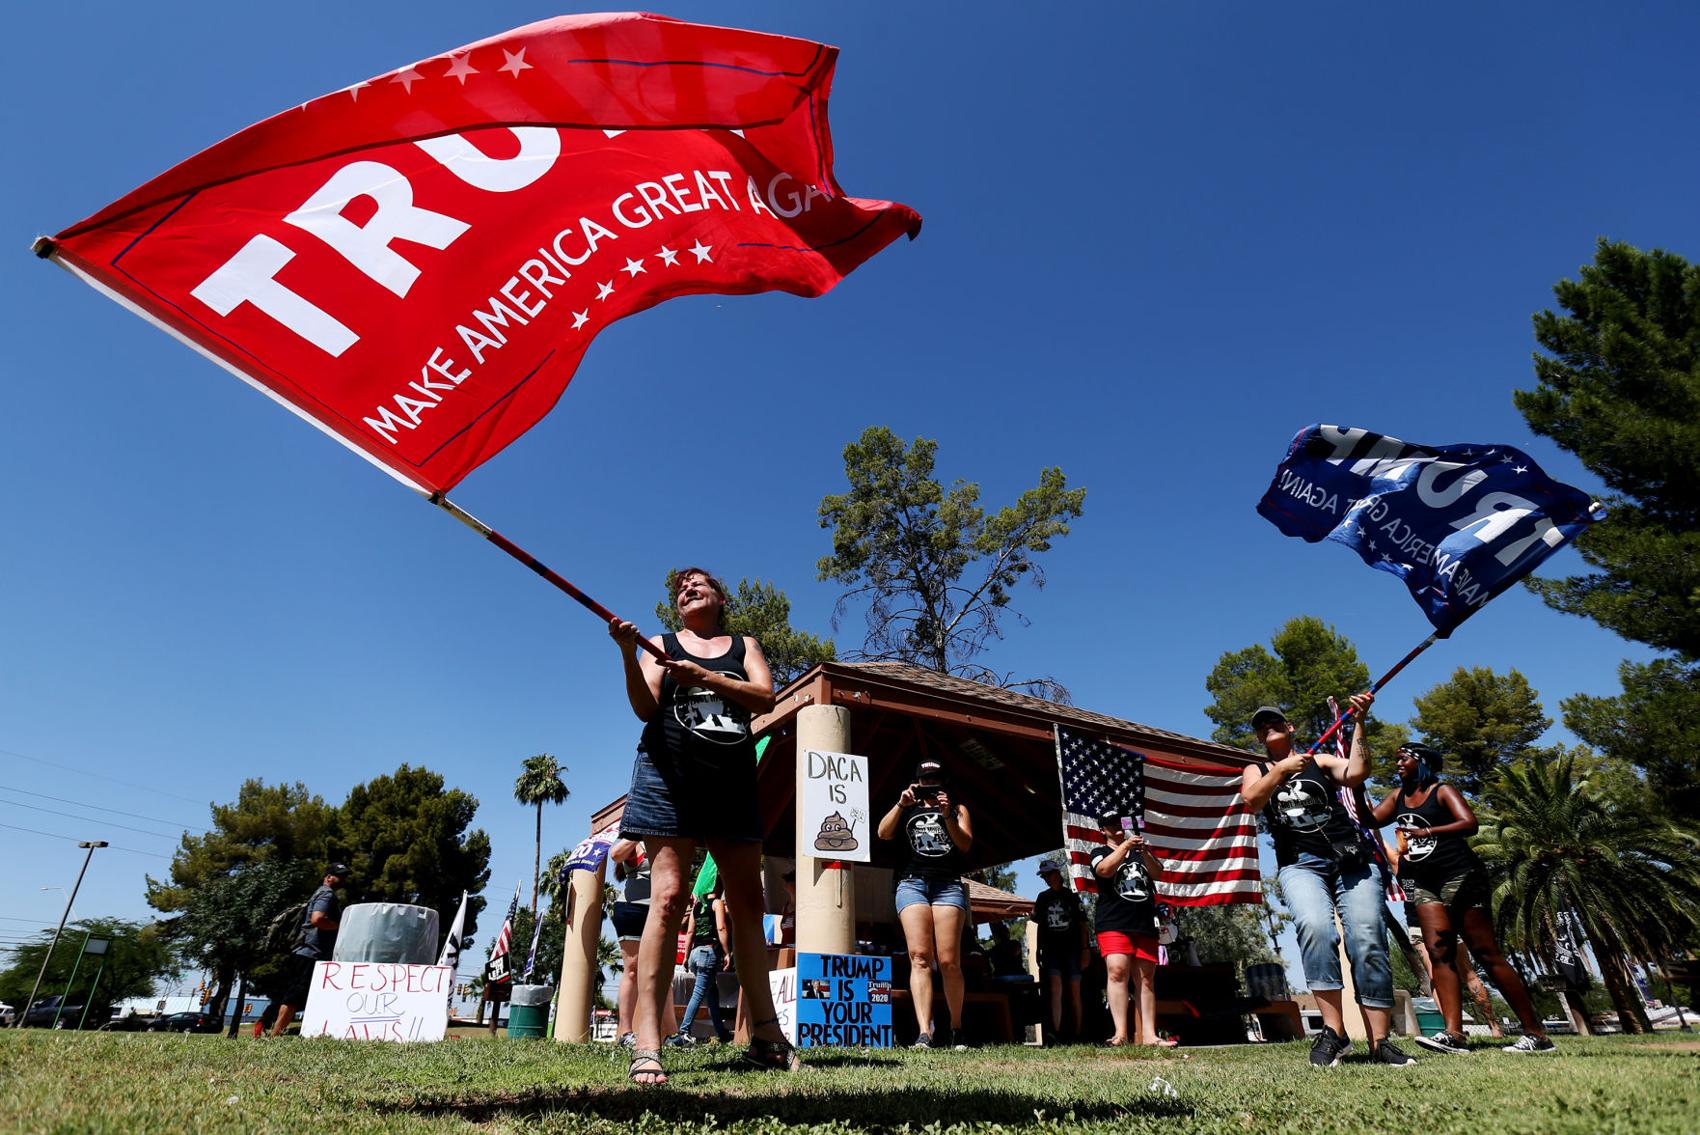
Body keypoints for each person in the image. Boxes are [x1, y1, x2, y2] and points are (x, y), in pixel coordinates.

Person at [608, 566, 794, 1085]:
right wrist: (628, 652)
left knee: (748, 901)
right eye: (680, 588)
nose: (688, 589)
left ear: (719, 596)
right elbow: (645, 708)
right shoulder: (659, 644)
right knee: (667, 897)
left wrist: (706, 678)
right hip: (668, 773)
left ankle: (766, 1035)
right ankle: (647, 1042)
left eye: (698, 584)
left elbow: (765, 698)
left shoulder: (744, 645)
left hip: (731, 781)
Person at [1238, 697, 1415, 1068]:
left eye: (1275, 721)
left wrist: (1360, 723)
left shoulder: (1319, 761)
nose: (1267, 726)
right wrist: (1283, 768)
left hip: (1350, 859)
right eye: (1261, 725)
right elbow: (1252, 799)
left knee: (1367, 936)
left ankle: (1380, 1041)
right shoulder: (1256, 768)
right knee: (1315, 927)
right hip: (1300, 865)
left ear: (1290, 729)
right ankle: (1335, 1033)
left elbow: (1357, 772)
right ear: (1259, 737)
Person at [1373, 742, 1554, 1054]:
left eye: (1403, 759)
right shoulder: (1396, 796)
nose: (1397, 764)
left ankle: (1536, 1034)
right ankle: (1454, 1035)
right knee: (1439, 952)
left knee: (1485, 952)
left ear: (1421, 761)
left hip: (1459, 874)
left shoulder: (1441, 790)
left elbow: (1469, 824)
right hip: (1423, 881)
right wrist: (1348, 789)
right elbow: (1370, 820)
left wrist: (1428, 833)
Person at [877, 758, 974, 1049]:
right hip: (911, 883)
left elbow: (965, 844)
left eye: (935, 781)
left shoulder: (958, 809)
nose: (929, 786)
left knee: (948, 961)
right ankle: (924, 1032)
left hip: (948, 885)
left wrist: (946, 815)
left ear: (944, 782)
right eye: (924, 781)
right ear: (916, 782)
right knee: (919, 955)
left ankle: (956, 1028)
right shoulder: (907, 807)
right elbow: (883, 833)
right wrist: (900, 805)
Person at [1091, 821, 1175, 1047]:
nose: (1116, 826)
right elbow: (1104, 870)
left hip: (1144, 923)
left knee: (1146, 978)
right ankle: (1120, 1034)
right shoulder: (1099, 852)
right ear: (1102, 830)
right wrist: (1125, 846)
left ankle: (1149, 1035)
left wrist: (1143, 851)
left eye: (1119, 823)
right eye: (1109, 824)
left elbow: (1158, 872)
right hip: (1113, 922)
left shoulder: (1139, 854)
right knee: (1117, 970)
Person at [609, 839, 674, 1048]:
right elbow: (615, 854)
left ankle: (673, 1034)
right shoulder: (634, 841)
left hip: (659, 910)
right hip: (632, 910)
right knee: (633, 970)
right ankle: (625, 1033)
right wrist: (637, 832)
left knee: (663, 971)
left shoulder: (665, 836)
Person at [269, 862, 348, 1037]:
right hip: (311, 953)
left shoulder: (322, 893)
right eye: (338, 875)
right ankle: (275, 1036)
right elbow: (317, 919)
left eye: (344, 876)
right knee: (294, 997)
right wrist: (341, 926)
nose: (342, 879)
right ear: (328, 877)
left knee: (302, 997)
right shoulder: (326, 894)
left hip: (311, 953)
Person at [1031, 859, 1089, 1043]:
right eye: (1044, 876)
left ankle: (1079, 1033)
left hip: (1072, 949)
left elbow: (1082, 925)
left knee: (1074, 991)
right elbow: (1040, 925)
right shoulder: (1042, 897)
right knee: (1056, 988)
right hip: (1051, 949)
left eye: (1049, 874)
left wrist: (1085, 949)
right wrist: (1038, 949)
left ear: (1058, 873)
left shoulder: (1072, 896)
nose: (1047, 879)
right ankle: (1055, 1033)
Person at [669, 879, 733, 1045]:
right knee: (699, 993)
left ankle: (721, 1032)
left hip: (695, 954)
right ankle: (683, 1031)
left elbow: (690, 932)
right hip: (708, 952)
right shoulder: (717, 903)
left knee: (712, 992)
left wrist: (685, 956)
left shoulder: (697, 906)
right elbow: (721, 928)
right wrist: (727, 952)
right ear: (718, 886)